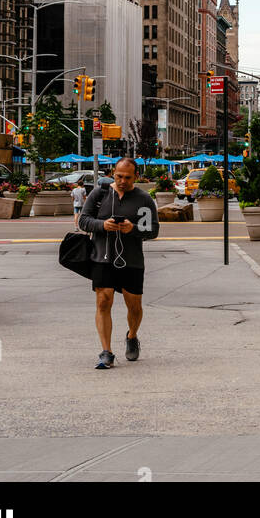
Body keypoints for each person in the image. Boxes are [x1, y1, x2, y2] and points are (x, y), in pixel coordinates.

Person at [79, 157, 158, 370]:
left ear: (136, 177)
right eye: (118, 176)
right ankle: (106, 352)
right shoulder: (100, 194)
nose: (122, 181)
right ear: (113, 173)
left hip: (131, 260)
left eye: (127, 177)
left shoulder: (144, 199)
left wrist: (133, 229)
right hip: (102, 257)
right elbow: (83, 220)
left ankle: (132, 336)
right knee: (103, 301)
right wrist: (102, 225)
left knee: (134, 305)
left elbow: (153, 230)